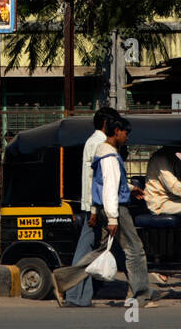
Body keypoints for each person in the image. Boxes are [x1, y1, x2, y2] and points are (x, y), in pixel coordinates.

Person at [52, 111, 154, 307]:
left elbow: (102, 182)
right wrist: (111, 217)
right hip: (111, 207)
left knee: (99, 251)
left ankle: (64, 280)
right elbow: (106, 185)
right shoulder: (106, 151)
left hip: (101, 206)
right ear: (114, 129)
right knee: (134, 250)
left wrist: (128, 189)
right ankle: (139, 297)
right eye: (125, 133)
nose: (127, 137)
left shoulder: (101, 148)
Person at [145, 145, 181, 217]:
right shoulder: (160, 158)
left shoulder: (173, 158)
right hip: (160, 203)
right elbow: (173, 186)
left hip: (174, 200)